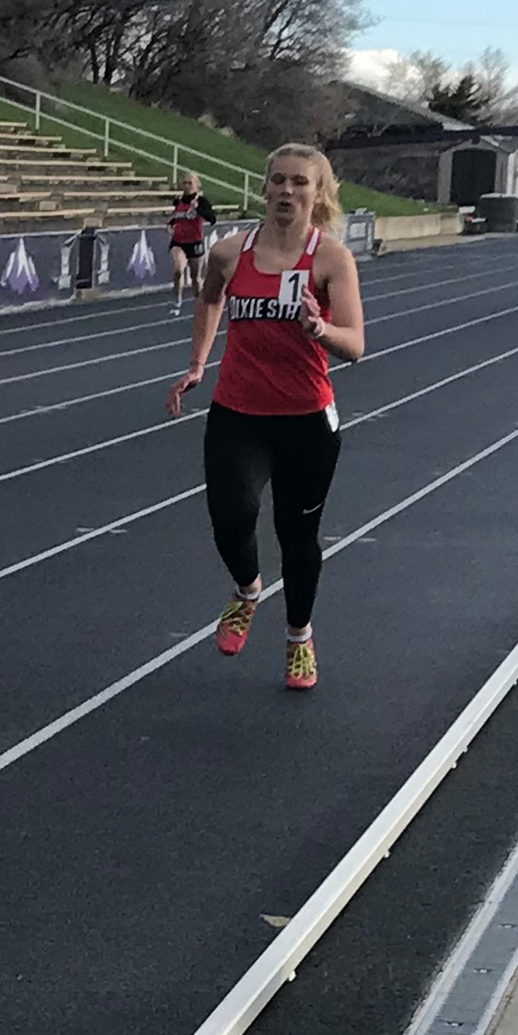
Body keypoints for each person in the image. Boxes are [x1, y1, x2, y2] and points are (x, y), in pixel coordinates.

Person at [163, 144, 364, 691]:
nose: (287, 191)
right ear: (264, 188)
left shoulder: (330, 259)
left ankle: (299, 635)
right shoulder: (231, 252)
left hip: (305, 419)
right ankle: (248, 590)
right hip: (239, 412)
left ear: (317, 193)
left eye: (300, 182)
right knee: (231, 515)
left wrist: (320, 330)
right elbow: (209, 300)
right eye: (278, 180)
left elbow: (357, 344)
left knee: (297, 536)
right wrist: (199, 363)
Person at [168, 172, 216, 316]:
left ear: (197, 186)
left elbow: (212, 219)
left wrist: (198, 209)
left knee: (195, 277)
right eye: (184, 183)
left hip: (194, 243)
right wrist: (170, 226)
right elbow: (174, 219)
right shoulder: (178, 201)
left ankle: (200, 304)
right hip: (178, 242)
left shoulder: (201, 201)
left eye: (190, 183)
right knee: (178, 270)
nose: (187, 186)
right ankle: (177, 302)